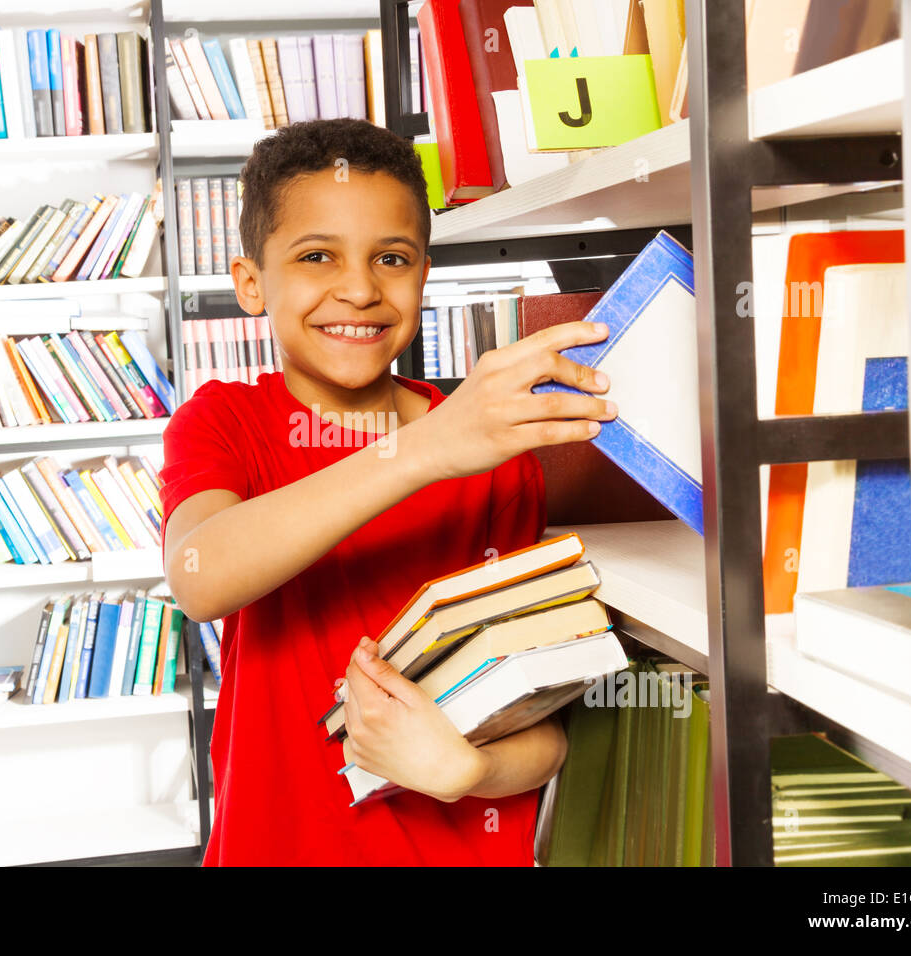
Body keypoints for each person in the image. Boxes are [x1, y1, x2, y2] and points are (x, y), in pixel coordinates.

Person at [160, 118, 617, 865]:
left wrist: (466, 772)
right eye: (316, 256)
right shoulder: (225, 423)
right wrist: (421, 451)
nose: (359, 289)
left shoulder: (496, 455)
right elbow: (199, 576)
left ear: (424, 275)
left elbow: (545, 715)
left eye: (392, 258)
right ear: (251, 283)